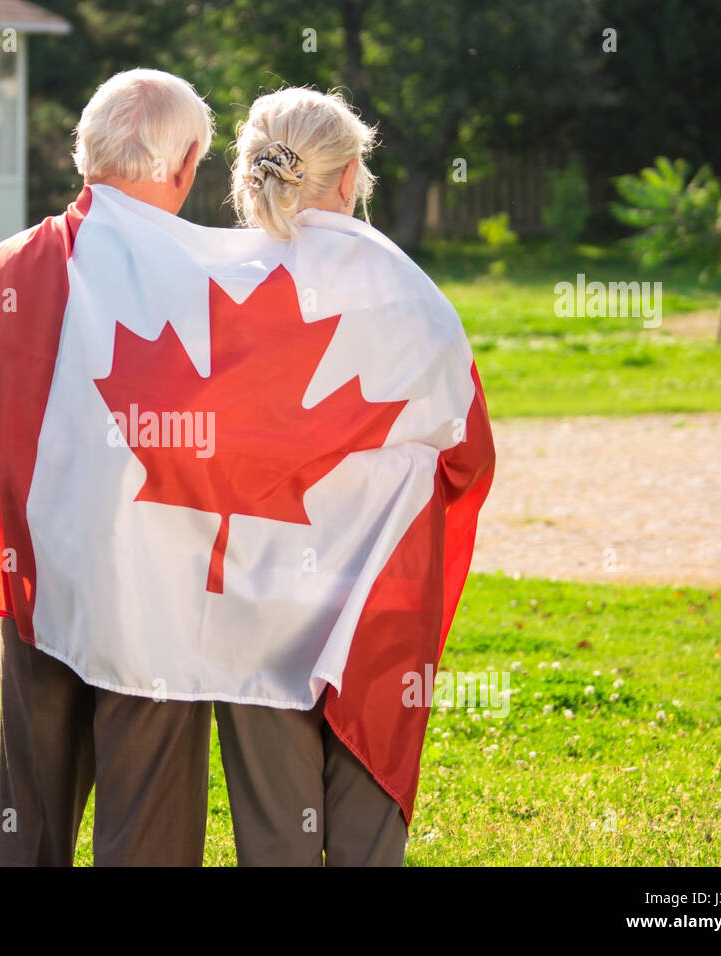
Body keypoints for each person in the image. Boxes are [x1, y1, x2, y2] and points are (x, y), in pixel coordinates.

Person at [0, 69, 216, 866]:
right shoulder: (213, 278)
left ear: (85, 153)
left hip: (38, 579)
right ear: (181, 166)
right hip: (160, 599)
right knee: (147, 827)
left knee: (32, 826)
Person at [210, 87, 496, 866]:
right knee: (371, 827)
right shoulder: (410, 287)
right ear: (348, 177)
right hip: (382, 591)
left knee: (275, 830)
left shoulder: (211, 280)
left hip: (253, 581)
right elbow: (469, 450)